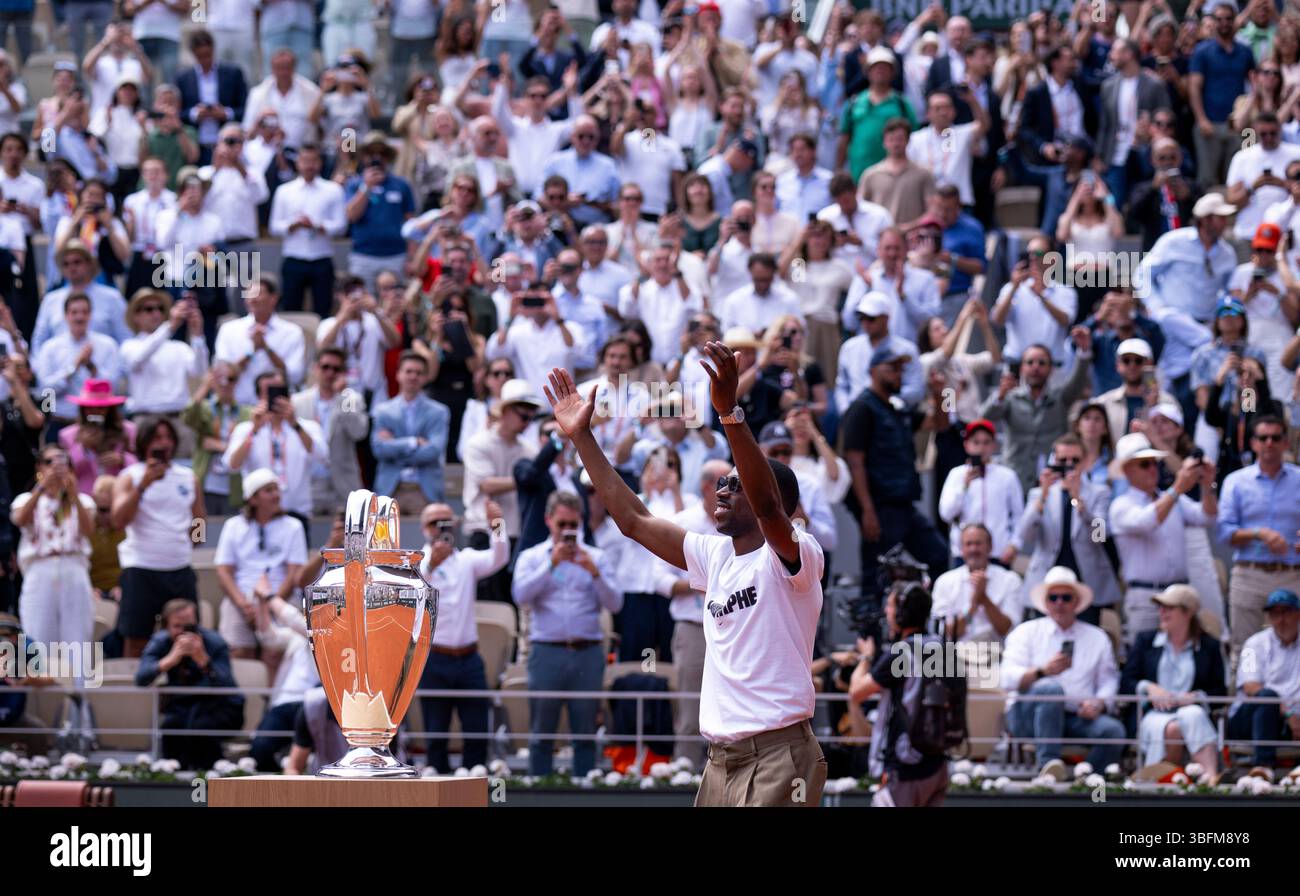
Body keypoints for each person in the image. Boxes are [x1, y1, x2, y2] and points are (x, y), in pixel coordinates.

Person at [512, 490, 620, 777]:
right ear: (548, 521)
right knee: (541, 734)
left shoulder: (595, 557)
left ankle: (584, 792)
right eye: (562, 525)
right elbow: (520, 595)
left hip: (587, 653)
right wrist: (552, 565)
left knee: (585, 733)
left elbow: (616, 603)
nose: (568, 532)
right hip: (546, 652)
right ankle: (537, 793)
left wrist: (594, 572)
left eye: (573, 525)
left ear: (581, 522)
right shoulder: (533, 557)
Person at [841, 343, 949, 602]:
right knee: (875, 578)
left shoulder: (899, 408)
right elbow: (854, 461)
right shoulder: (862, 408)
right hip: (879, 507)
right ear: (873, 370)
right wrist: (867, 511)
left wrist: (941, 395)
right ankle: (870, 639)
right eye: (892, 368)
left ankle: (925, 618)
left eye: (901, 369)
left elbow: (941, 424)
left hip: (905, 506)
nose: (898, 375)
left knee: (939, 556)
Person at [1000, 566, 1124, 779]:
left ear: (1076, 602)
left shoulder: (1097, 637)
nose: (1059, 603)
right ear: (1045, 602)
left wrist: (1099, 703)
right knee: (1051, 688)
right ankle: (1049, 769)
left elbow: (1109, 680)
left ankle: (1083, 780)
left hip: (1076, 716)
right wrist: (1041, 672)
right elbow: (1007, 678)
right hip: (1027, 716)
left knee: (1113, 732)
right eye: (1053, 597)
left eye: (1066, 597)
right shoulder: (1025, 632)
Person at [418, 498, 509, 773]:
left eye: (447, 521)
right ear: (424, 528)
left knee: (477, 730)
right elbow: (412, 593)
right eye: (435, 522)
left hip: (468, 657)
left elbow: (500, 557)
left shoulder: (467, 559)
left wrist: (499, 526)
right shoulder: (417, 562)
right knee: (436, 733)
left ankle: (476, 784)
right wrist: (431, 566)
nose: (441, 527)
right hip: (434, 658)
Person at [1110, 432, 1218, 647]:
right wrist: (1178, 487)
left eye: (1154, 462)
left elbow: (1207, 517)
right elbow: (1147, 521)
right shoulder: (1120, 506)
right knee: (1144, 665)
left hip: (1179, 594)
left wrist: (1207, 485)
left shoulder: (1171, 498)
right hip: (1145, 597)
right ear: (1127, 470)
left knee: (1183, 660)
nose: (1153, 469)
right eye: (1144, 464)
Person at [848, 584, 949, 807]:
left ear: (903, 613)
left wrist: (866, 657)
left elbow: (856, 691)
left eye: (891, 606)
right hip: (939, 764)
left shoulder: (903, 652)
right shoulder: (943, 647)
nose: (886, 612)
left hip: (905, 767)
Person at [1217, 415, 1300, 667]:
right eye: (1263, 438)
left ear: (1286, 442)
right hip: (1250, 572)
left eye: (1276, 437)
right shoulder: (1235, 481)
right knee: (1244, 648)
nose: (1269, 443)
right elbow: (1223, 533)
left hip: (1293, 573)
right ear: (1253, 443)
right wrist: (1258, 533)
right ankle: (1245, 703)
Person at [1012, 433, 1121, 623]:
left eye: (1075, 460)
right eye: (1063, 460)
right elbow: (1025, 535)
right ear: (1054, 461)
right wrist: (1043, 496)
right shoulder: (1039, 494)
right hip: (1047, 583)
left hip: (1086, 582)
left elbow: (1100, 536)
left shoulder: (1099, 492)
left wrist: (1078, 500)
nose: (1069, 465)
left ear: (1086, 462)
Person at [11, 446, 96, 685]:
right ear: (40, 467)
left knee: (77, 642)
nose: (55, 467)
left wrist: (73, 493)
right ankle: (44, 712)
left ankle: (80, 712)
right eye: (49, 462)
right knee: (37, 637)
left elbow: (89, 531)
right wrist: (42, 487)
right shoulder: (26, 499)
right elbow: (20, 520)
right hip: (40, 568)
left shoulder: (83, 500)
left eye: (62, 462)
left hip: (73, 566)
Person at [1121, 585, 1226, 772]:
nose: (1162, 612)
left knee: (1192, 714)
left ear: (1188, 613)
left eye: (1169, 607)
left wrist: (1195, 697)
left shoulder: (1209, 646)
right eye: (1161, 607)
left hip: (1192, 711)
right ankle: (1179, 781)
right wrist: (1149, 688)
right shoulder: (1145, 641)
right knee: (1173, 729)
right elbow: (1126, 682)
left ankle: (1207, 779)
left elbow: (1220, 690)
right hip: (1151, 714)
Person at [135, 598, 243, 771]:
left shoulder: (215, 643)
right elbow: (141, 678)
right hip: (182, 707)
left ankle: (210, 780)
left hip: (219, 707)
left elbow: (228, 687)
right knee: (171, 727)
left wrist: (204, 661)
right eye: (177, 627)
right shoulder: (160, 642)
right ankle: (173, 778)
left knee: (200, 728)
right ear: (166, 627)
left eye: (189, 627)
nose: (184, 634)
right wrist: (169, 660)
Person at [980, 332, 1094, 494]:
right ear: (1022, 368)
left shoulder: (1060, 397)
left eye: (1042, 363)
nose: (1035, 367)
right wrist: (999, 396)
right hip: (1016, 476)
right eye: (1030, 362)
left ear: (1051, 369)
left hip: (1052, 478)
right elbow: (986, 417)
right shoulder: (1010, 397)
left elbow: (1078, 382)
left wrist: (1083, 352)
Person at [212, 468, 306, 661]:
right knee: (238, 652)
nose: (276, 496)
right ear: (252, 499)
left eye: (276, 490)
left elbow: (293, 574)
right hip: (242, 600)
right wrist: (244, 605)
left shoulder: (293, 526)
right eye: (269, 491)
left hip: (281, 599)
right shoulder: (233, 526)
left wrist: (271, 603)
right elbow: (223, 571)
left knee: (275, 654)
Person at [223, 370, 326, 528]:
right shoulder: (245, 429)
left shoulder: (307, 427)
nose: (275, 398)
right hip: (257, 514)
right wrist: (254, 430)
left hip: (297, 512)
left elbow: (323, 457)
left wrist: (295, 425)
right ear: (259, 398)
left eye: (279, 391)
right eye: (269, 393)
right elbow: (232, 465)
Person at [119, 290, 209, 454]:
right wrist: (170, 327)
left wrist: (197, 334)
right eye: (149, 309)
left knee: (183, 470)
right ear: (135, 316)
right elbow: (137, 359)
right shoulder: (129, 346)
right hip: (146, 420)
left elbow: (200, 371)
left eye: (160, 309)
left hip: (179, 421)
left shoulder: (179, 347)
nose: (156, 313)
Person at [267, 143, 349, 317]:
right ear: (297, 163)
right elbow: (274, 227)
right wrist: (293, 225)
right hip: (293, 257)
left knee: (323, 309)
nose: (309, 165)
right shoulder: (285, 191)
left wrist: (318, 226)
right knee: (290, 308)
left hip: (322, 257)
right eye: (305, 160)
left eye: (313, 161)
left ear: (320, 163)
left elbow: (341, 226)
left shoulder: (333, 190)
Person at [368, 351, 450, 513]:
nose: (413, 377)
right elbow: (379, 449)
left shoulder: (439, 412)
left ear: (426, 378)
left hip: (424, 490)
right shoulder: (382, 411)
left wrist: (394, 447)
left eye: (418, 373)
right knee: (385, 539)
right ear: (398, 375)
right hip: (390, 490)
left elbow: (433, 451)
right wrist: (413, 442)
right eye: (408, 371)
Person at [1137, 193, 1239, 324]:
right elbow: (1142, 273)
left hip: (1208, 326)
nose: (1225, 223)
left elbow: (1229, 291)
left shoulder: (1228, 253)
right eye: (1220, 218)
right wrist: (1157, 307)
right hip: (1172, 324)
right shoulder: (1173, 241)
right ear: (1205, 220)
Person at [1228, 588, 1300, 769]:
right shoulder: (1253, 644)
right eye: (1275, 613)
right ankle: (1262, 768)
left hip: (1291, 720)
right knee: (1267, 697)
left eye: (1286, 612)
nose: (1281, 619)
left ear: (1298, 614)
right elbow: (1250, 687)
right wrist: (1288, 712)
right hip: (1250, 721)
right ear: (1268, 617)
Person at [291, 348, 368, 515]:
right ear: (315, 368)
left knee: (347, 540)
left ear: (343, 373)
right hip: (309, 483)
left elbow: (359, 432)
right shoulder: (298, 401)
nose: (330, 373)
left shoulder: (351, 399)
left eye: (336, 369)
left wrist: (342, 397)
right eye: (326, 367)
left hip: (341, 485)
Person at [1189, 2, 1257, 189]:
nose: (1224, 23)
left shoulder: (1245, 51)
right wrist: (1201, 119)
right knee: (1207, 179)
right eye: (1219, 19)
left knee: (1236, 177)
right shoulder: (1202, 50)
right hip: (1209, 123)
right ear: (1213, 21)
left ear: (1235, 21)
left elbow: (1254, 85)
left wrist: (1248, 118)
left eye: (1228, 19)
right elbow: (1194, 88)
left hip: (1238, 125)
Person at [937, 419, 1024, 564]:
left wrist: (1014, 545)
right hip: (964, 554)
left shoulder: (1007, 476)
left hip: (998, 553)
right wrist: (964, 485)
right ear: (966, 445)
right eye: (976, 442)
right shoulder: (957, 475)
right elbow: (946, 513)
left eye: (986, 442)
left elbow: (1019, 516)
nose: (981, 448)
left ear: (994, 445)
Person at [33, 293, 121, 426]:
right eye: (74, 312)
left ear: (91, 315)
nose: (79, 317)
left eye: (84, 312)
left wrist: (92, 367)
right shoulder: (51, 347)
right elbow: (44, 391)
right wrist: (74, 367)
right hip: (61, 420)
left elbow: (114, 387)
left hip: (99, 422)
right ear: (65, 315)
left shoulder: (107, 345)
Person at [930, 523, 1024, 644]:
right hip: (956, 656)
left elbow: (1008, 630)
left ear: (990, 547)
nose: (973, 549)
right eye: (968, 544)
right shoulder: (945, 581)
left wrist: (984, 599)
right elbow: (945, 633)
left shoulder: (1010, 580)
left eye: (978, 544)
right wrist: (972, 607)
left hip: (997, 655)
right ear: (961, 549)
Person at [182, 362, 251, 515]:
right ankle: (197, 538)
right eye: (220, 378)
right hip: (206, 483)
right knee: (199, 530)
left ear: (237, 381)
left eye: (230, 379)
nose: (225, 383)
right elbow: (187, 417)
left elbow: (251, 441)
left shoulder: (246, 413)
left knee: (229, 531)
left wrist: (220, 446)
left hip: (234, 486)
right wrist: (204, 387)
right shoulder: (206, 408)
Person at [1094, 337, 1175, 439]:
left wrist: (1155, 406)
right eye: (1126, 360)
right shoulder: (1103, 403)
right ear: (1118, 365)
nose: (1132, 365)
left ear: (1150, 364)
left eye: (1138, 361)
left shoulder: (1168, 402)